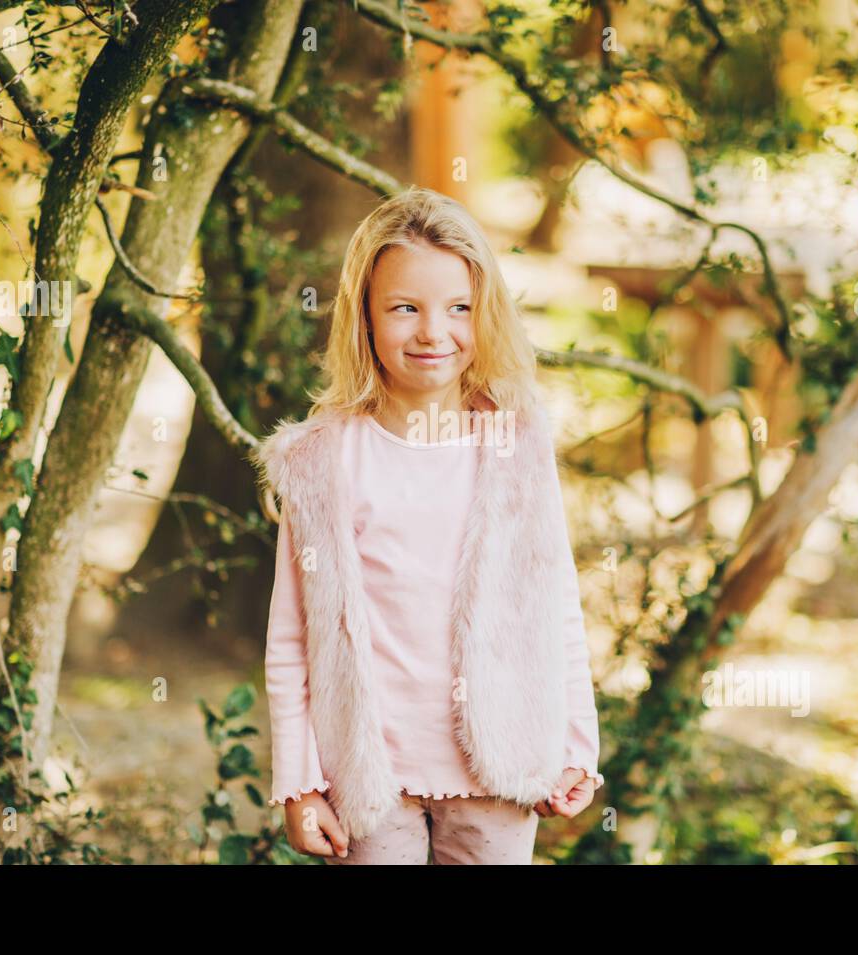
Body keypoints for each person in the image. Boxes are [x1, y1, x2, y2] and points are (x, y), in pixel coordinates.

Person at [251, 186, 602, 865]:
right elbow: (292, 635)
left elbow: (556, 603)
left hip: (500, 768)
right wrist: (298, 782)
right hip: (370, 781)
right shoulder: (322, 460)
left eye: (458, 308)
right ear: (365, 316)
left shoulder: (515, 449)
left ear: (484, 314)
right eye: (405, 308)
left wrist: (575, 745)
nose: (432, 332)